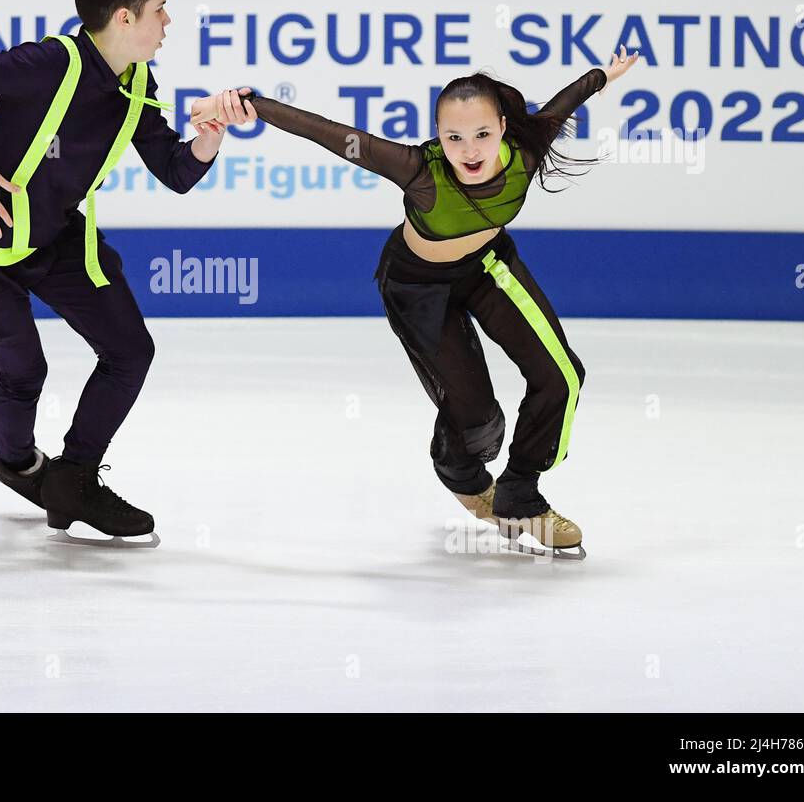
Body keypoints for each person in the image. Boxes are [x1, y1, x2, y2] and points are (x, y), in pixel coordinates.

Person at [193, 47, 642, 559]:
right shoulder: (420, 171)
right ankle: (465, 479)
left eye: (481, 135)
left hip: (488, 268)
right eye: (452, 137)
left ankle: (520, 493)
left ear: (502, 126)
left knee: (562, 375)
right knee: (477, 419)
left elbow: (566, 101)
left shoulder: (527, 149)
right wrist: (246, 104)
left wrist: (603, 74)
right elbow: (327, 132)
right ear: (437, 135)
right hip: (416, 287)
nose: (468, 150)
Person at [0, 0, 234, 542]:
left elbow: (173, 170)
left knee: (130, 350)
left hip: (55, 237)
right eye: (161, 10)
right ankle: (18, 464)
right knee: (25, 370)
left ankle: (74, 479)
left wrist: (208, 138)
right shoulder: (47, 64)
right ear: (125, 18)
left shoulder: (136, 81)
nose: (170, 22)